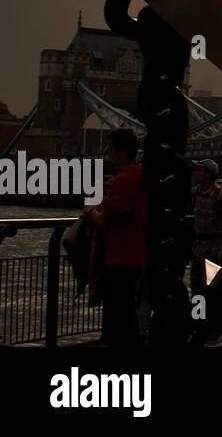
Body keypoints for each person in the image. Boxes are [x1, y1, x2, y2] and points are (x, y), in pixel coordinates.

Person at [86, 128, 147, 347]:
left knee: (117, 315)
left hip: (119, 257)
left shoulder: (122, 181)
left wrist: (89, 210)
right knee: (130, 310)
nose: (108, 153)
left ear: (121, 151)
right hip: (140, 254)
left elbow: (104, 221)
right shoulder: (142, 175)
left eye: (110, 148)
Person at [190, 159, 222, 296]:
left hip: (215, 252)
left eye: (199, 170)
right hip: (198, 250)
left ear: (209, 174)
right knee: (196, 289)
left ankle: (208, 316)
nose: (195, 173)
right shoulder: (194, 194)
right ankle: (198, 316)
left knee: (213, 292)